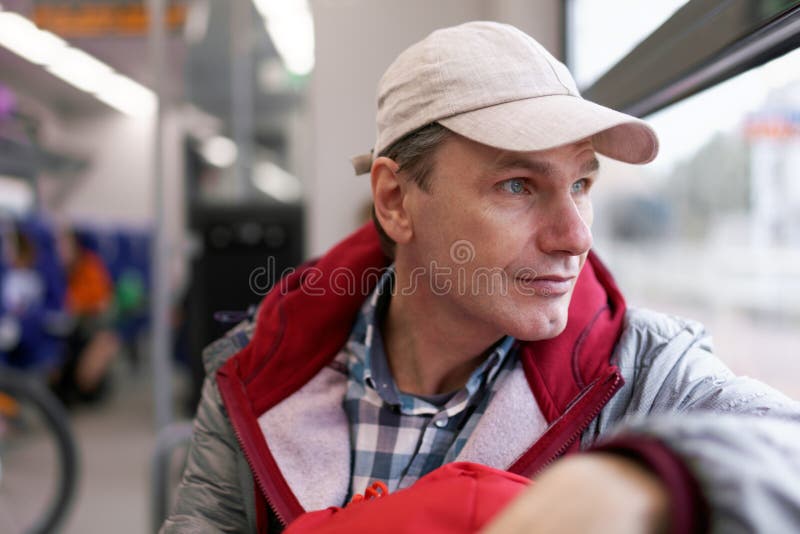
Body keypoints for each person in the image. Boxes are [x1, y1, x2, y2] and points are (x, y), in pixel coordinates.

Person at [163, 21, 800, 533]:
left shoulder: (645, 375)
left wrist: (657, 477)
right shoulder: (261, 372)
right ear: (395, 200)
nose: (575, 236)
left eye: (581, 183)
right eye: (518, 184)